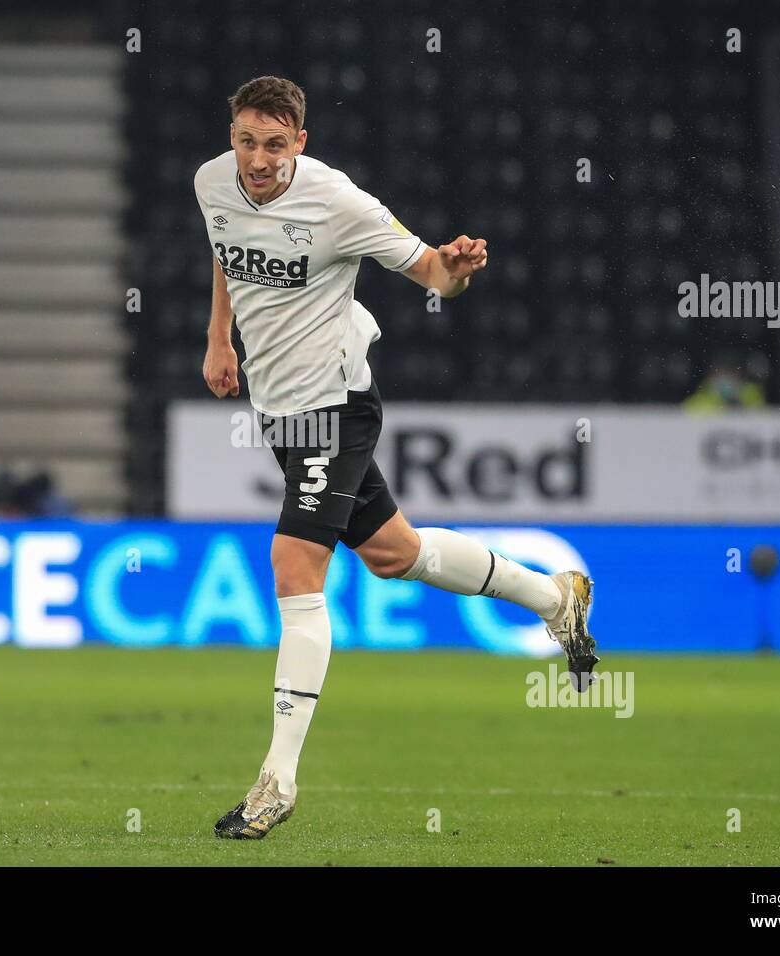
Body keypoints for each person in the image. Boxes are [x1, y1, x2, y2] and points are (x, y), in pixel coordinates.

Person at [194, 76, 598, 840]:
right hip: (280, 413)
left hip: (335, 409)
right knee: (392, 553)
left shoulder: (340, 202)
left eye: (274, 144)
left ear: (301, 144)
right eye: (246, 139)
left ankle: (275, 782)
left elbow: (434, 273)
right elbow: (226, 246)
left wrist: (458, 266)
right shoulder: (213, 180)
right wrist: (220, 337)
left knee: (293, 567)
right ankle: (556, 599)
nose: (256, 158)